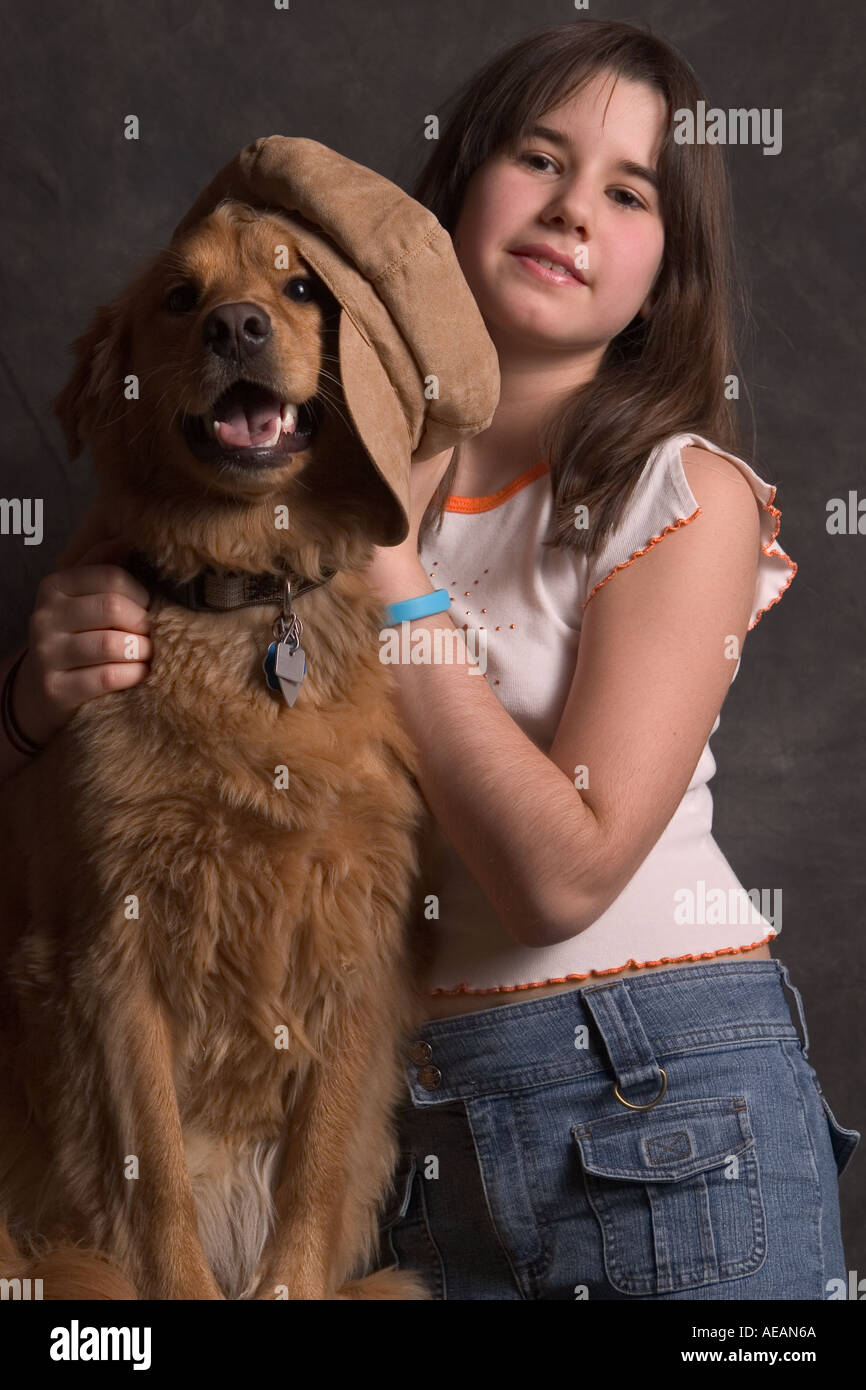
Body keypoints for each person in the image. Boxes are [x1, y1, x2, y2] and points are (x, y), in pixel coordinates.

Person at [1, 18, 858, 1302]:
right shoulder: (287, 469)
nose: (573, 208)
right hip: (408, 1164)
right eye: (537, 159)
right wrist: (30, 699)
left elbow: (560, 875)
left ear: (663, 270)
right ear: (447, 194)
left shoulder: (678, 494)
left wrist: (392, 564)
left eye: (627, 192)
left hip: (655, 1097)